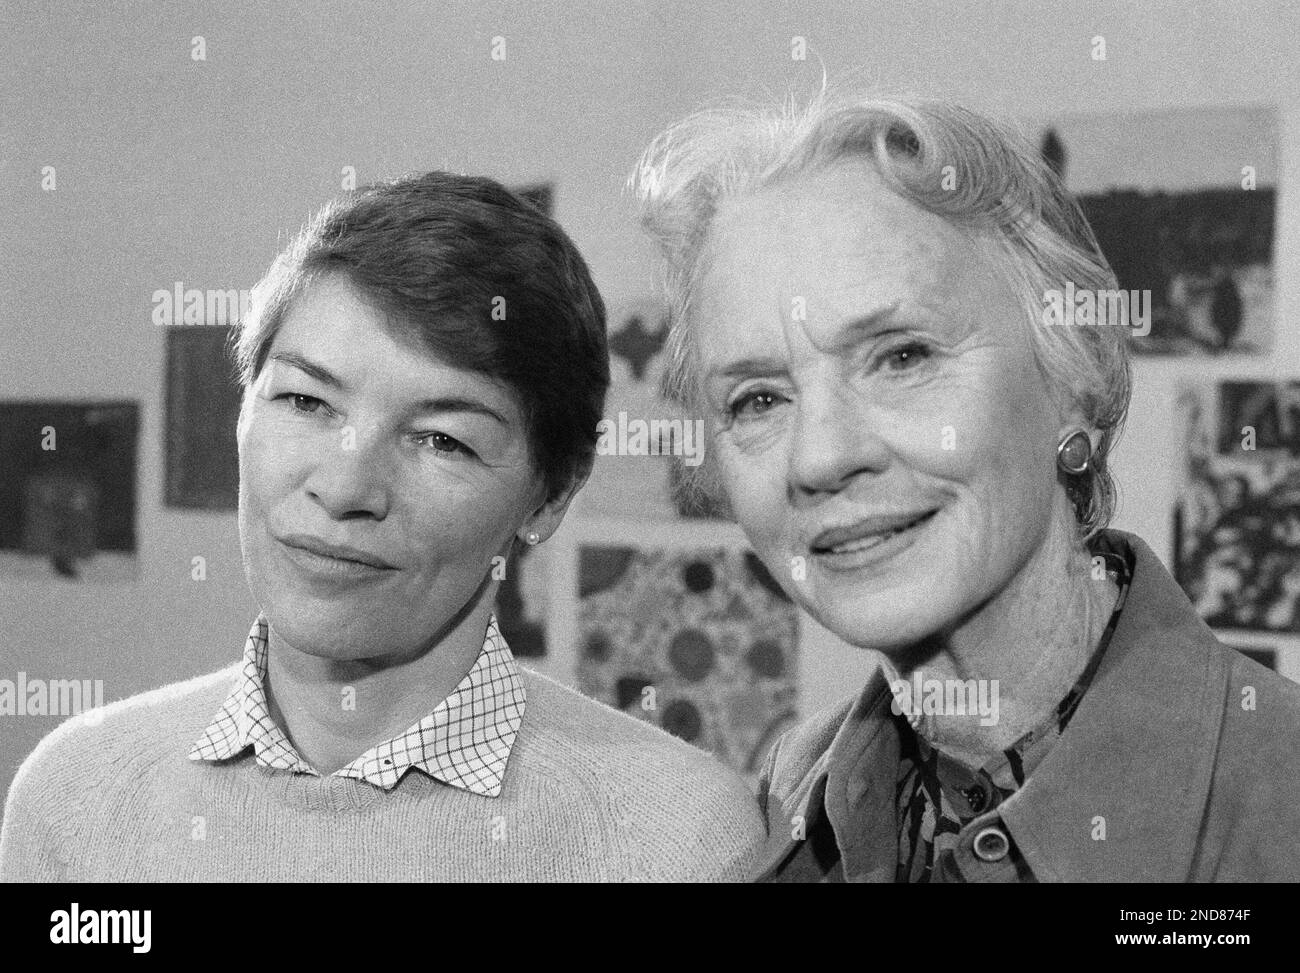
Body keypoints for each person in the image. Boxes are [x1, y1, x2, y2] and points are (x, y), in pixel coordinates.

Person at [0, 171, 765, 882]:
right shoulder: (77, 802)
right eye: (305, 402)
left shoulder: (674, 839)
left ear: (550, 496)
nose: (344, 488)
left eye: (442, 439)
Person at [633, 92, 1300, 882]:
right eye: (759, 400)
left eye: (903, 356)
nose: (820, 457)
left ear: (1074, 375)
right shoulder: (789, 804)